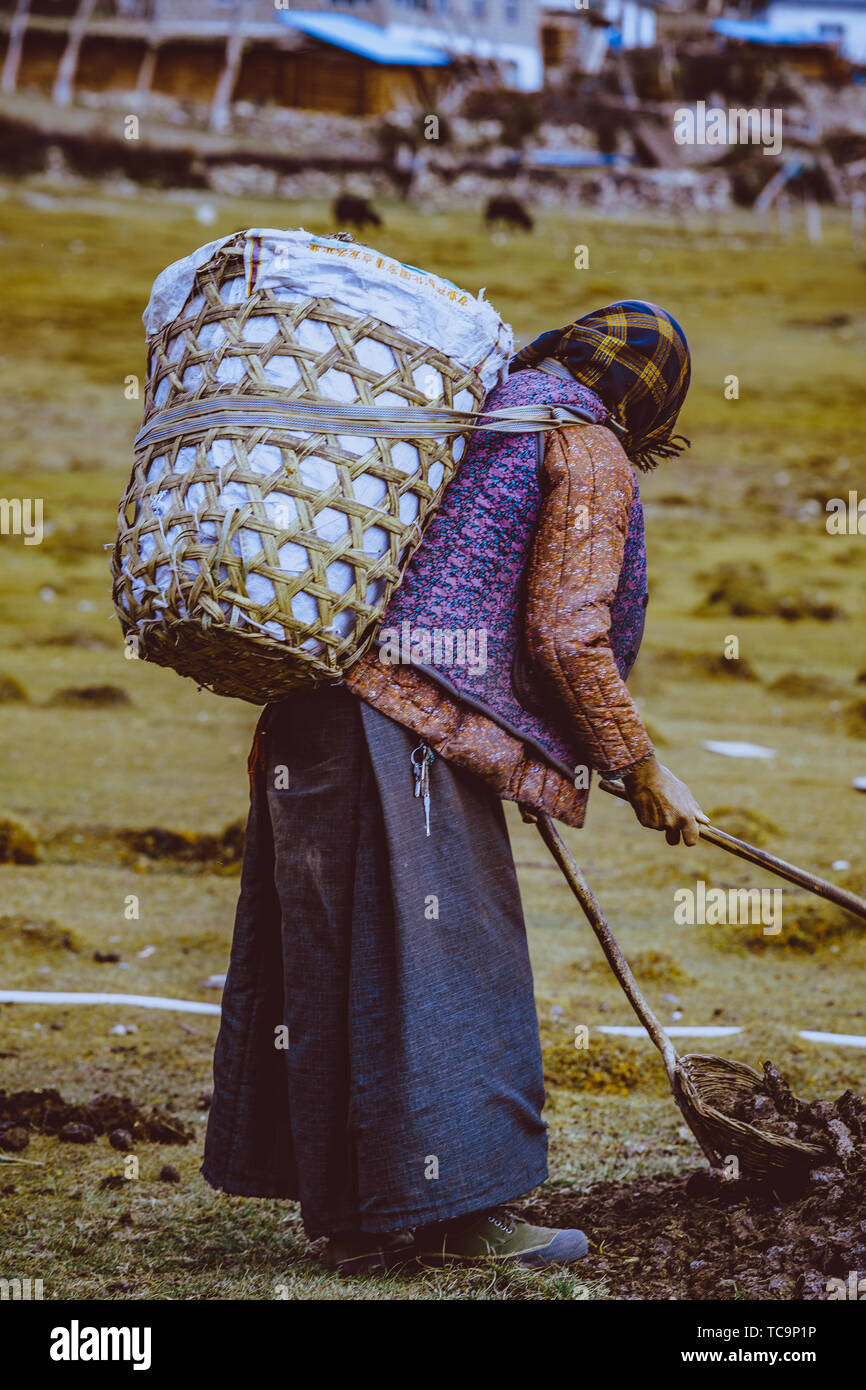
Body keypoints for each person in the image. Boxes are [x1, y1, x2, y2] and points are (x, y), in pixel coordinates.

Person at [201, 299, 707, 1276]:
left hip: (311, 710)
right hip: (406, 730)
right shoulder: (583, 443)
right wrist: (637, 763)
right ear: (648, 411)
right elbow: (565, 630)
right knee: (450, 972)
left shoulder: (468, 406)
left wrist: (528, 747)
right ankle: (466, 1217)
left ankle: (359, 1215)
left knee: (335, 962)